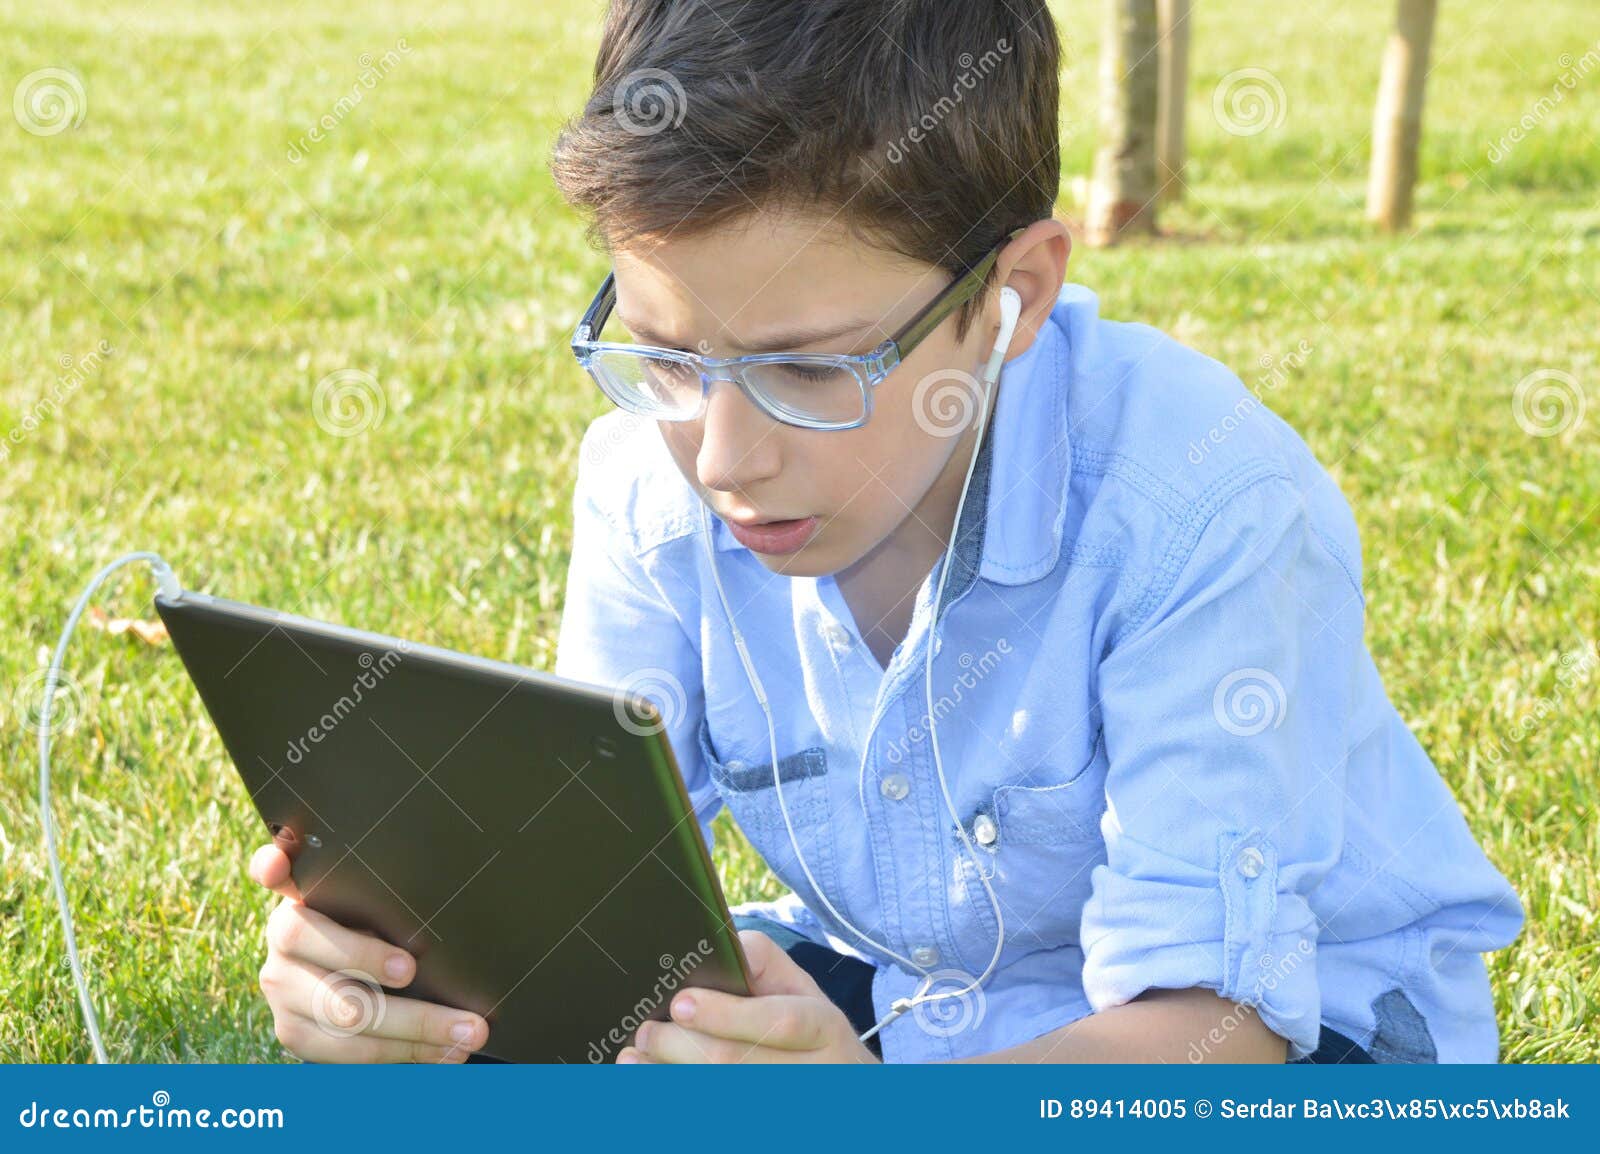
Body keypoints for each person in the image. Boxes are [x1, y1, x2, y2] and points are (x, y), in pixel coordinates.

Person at [249, 0, 1522, 1064]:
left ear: (1013, 295)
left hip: (1288, 1046)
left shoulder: (1198, 501)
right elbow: (590, 893)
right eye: (667, 355)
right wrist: (414, 981)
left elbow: (1217, 1030)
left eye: (808, 371)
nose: (724, 459)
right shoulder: (648, 478)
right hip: (912, 997)